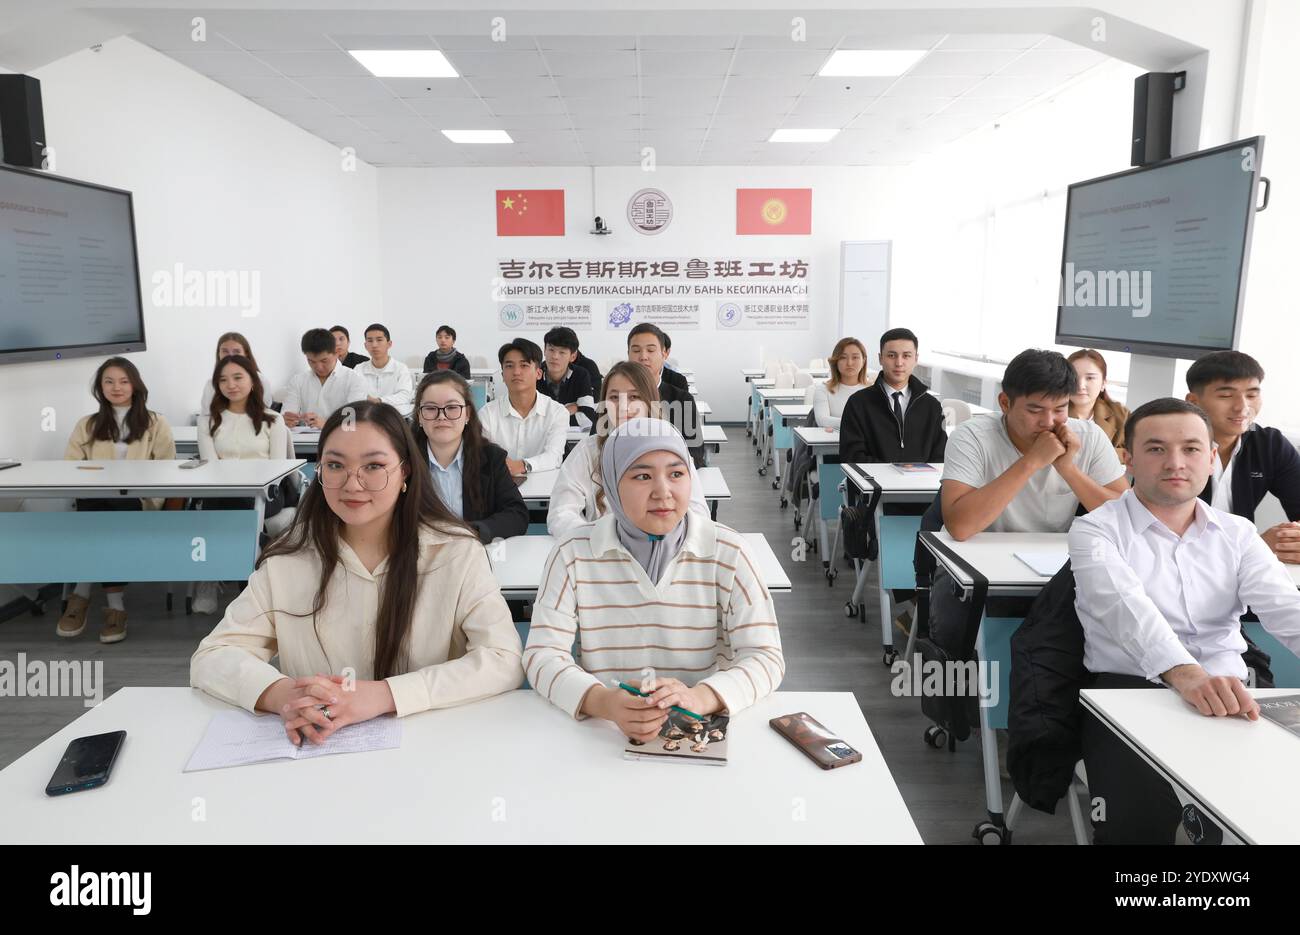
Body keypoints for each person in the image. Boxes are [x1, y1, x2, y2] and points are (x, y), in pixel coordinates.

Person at [190, 401, 523, 744]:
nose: (352, 484)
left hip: (428, 751)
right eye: (335, 465)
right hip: (316, 752)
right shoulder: (288, 560)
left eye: (374, 466)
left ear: (405, 471)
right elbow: (214, 656)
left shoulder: (457, 552)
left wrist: (384, 695)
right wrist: (283, 694)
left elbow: (504, 659)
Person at [1069, 397, 1300, 844]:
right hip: (1129, 692)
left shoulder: (1237, 533)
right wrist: (1188, 676)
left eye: (1192, 449)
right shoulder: (1096, 528)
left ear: (1212, 458)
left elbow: (1285, 609)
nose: (1175, 462)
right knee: (1134, 833)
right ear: (1128, 458)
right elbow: (1125, 610)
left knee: (1263, 818)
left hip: (1232, 690)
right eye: (1156, 449)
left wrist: (1209, 681)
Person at [524, 418, 784, 738]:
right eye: (643, 476)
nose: (663, 492)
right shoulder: (572, 553)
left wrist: (698, 697)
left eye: (677, 474)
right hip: (605, 737)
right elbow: (541, 655)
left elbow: (766, 658)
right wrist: (605, 702)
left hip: (701, 734)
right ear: (612, 485)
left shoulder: (730, 552)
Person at [941, 349, 1127, 540]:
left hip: (1048, 559)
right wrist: (1032, 462)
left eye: (1060, 409)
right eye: (1035, 410)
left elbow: (1127, 518)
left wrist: (1069, 470)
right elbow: (959, 528)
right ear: (1005, 403)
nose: (1048, 421)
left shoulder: (1090, 436)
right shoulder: (971, 436)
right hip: (971, 554)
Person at [57, 357, 177, 644]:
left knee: (106, 516)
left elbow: (167, 468)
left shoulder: (156, 422)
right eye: (108, 381)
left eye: (123, 381)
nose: (116, 387)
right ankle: (115, 608)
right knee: (101, 514)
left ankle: (81, 594)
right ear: (100, 388)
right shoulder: (87, 424)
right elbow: (70, 467)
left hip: (138, 502)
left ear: (135, 385)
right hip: (96, 500)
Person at [547, 361, 710, 537]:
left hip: (664, 550)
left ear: (650, 402)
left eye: (634, 397)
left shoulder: (673, 447)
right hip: (605, 555)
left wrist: (659, 540)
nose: (623, 406)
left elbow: (698, 513)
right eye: (614, 397)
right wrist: (599, 539)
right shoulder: (588, 450)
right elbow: (560, 514)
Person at [1185, 350, 1300, 564]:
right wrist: (1256, 545)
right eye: (1226, 395)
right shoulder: (1170, 445)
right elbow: (1163, 536)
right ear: (1193, 401)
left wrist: (1292, 538)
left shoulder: (1269, 444)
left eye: (1252, 394)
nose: (1242, 407)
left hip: (1241, 570)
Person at [413, 370, 528, 543]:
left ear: (467, 414)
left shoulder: (491, 458)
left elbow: (516, 515)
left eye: (452, 408)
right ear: (419, 416)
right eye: (430, 409)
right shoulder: (402, 461)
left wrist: (473, 532)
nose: (442, 416)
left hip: (475, 553)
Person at [839, 327, 947, 462]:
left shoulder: (932, 406)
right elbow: (851, 456)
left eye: (906, 356)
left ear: (916, 359)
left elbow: (940, 457)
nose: (899, 363)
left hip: (921, 482)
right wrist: (893, 473)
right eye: (891, 355)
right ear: (880, 358)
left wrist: (913, 477)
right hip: (873, 482)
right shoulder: (858, 403)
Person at [477, 337, 569, 477]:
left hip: (542, 492)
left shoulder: (557, 412)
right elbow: (481, 455)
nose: (516, 372)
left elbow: (554, 457)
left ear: (539, 373)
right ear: (502, 375)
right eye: (509, 366)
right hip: (498, 492)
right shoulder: (487, 413)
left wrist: (522, 465)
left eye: (524, 365)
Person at [626, 322, 703, 467]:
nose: (643, 357)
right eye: (636, 351)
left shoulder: (681, 399)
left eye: (650, 350)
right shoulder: (615, 397)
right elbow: (598, 444)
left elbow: (695, 452)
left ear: (664, 354)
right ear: (628, 354)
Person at [280, 328, 371, 429]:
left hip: (341, 440)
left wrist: (326, 424)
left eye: (324, 360)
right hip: (303, 440)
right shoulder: (298, 380)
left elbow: (353, 423)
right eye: (311, 361)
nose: (318, 367)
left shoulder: (354, 379)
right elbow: (287, 414)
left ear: (336, 353)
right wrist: (286, 420)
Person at [1067, 348, 1129, 452]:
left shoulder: (1121, 414)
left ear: (1103, 383)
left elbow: (1133, 454)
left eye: (1090, 378)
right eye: (1074, 378)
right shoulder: (1050, 411)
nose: (1080, 385)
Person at [538, 326, 597, 428]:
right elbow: (531, 419)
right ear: (544, 350)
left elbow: (587, 418)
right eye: (551, 350)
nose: (555, 356)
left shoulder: (581, 375)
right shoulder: (534, 374)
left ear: (572, 356)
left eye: (562, 352)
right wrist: (567, 411)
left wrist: (550, 418)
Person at [200, 332, 273, 413]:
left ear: (246, 354)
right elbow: (207, 414)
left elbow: (265, 410)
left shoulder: (261, 381)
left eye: (236, 351)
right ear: (218, 354)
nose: (230, 355)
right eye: (225, 351)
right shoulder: (211, 383)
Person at [355, 323, 414, 416]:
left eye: (379, 340)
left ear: (389, 344)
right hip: (366, 417)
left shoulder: (401, 368)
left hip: (394, 417)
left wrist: (379, 401)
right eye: (370, 341)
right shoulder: (359, 369)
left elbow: (405, 396)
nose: (374, 345)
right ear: (365, 345)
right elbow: (354, 394)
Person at [812, 337, 869, 430]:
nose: (849, 363)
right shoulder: (823, 390)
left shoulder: (873, 390)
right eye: (843, 357)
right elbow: (822, 420)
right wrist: (857, 423)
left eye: (855, 357)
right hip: (832, 442)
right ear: (836, 361)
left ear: (863, 361)